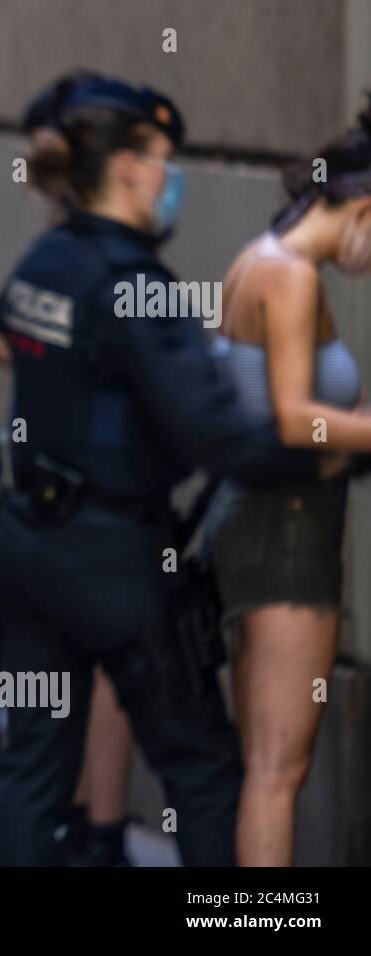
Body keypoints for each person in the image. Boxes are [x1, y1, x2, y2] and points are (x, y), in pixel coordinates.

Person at [0, 77, 330, 867]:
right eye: (166, 160)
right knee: (202, 768)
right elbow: (222, 438)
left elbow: (6, 331)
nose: (174, 179)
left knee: (33, 769)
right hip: (115, 562)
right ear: (131, 168)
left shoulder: (48, 257)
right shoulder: (134, 284)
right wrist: (336, 447)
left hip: (27, 546)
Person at [0, 71, 137, 867]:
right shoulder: (92, 256)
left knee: (41, 730)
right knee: (96, 688)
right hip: (96, 512)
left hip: (51, 512)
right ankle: (99, 833)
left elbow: (3, 330)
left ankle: (89, 829)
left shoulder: (60, 255)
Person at [203, 105, 371, 866]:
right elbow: (295, 420)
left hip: (263, 522)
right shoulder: (291, 275)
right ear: (363, 209)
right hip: (287, 532)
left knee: (264, 764)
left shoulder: (261, 259)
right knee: (278, 770)